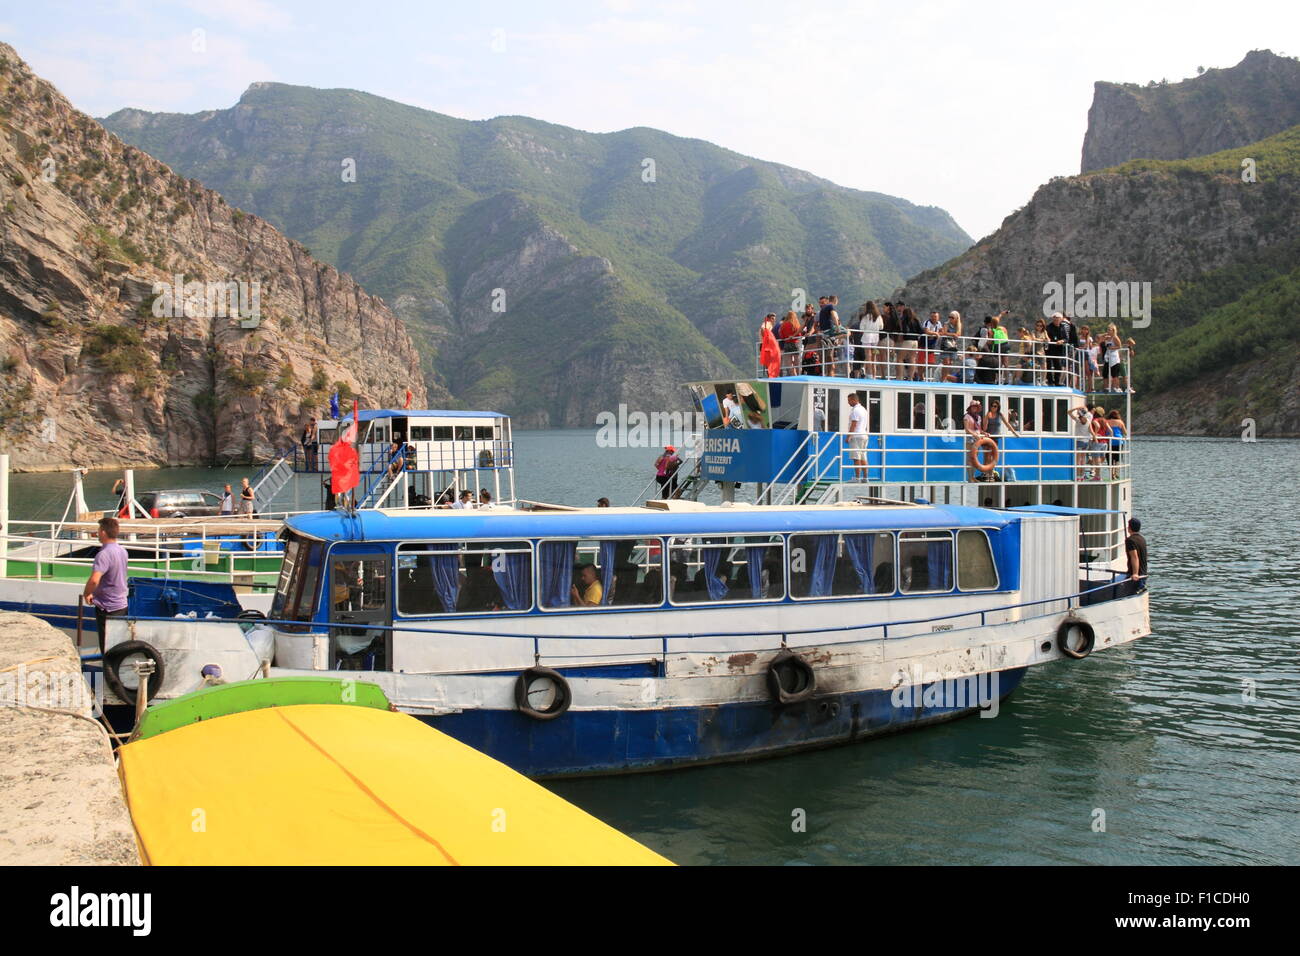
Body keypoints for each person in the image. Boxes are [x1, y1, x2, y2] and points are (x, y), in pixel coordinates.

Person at [83, 516, 128, 652]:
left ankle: (108, 672)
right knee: (118, 647)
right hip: (121, 604)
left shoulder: (103, 554)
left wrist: (87, 593)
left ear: (103, 532)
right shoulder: (122, 551)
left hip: (107, 607)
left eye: (98, 530)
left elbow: (95, 579)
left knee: (107, 649)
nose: (97, 533)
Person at [846, 392, 869, 481]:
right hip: (864, 435)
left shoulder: (855, 410)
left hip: (856, 436)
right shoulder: (863, 409)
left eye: (849, 401)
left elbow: (854, 424)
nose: (848, 403)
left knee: (856, 457)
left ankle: (857, 477)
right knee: (863, 456)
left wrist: (848, 436)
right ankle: (865, 477)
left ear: (854, 400)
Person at [858, 301, 883, 378]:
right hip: (875, 337)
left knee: (868, 356)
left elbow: (861, 327)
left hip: (867, 337)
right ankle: (874, 375)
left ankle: (869, 374)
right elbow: (881, 327)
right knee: (874, 357)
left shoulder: (866, 317)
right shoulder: (878, 316)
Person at [777, 310, 802, 376]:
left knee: (789, 362)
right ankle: (799, 375)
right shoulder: (796, 324)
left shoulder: (783, 325)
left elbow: (781, 336)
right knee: (797, 361)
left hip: (787, 344)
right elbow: (799, 334)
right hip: (795, 343)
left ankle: (793, 375)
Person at [1126, 518, 1147, 586]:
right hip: (1143, 572)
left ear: (1129, 527)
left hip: (1136, 576)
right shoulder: (1142, 539)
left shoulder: (1130, 540)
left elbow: (1134, 557)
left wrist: (1135, 573)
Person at [758, 313, 781, 378]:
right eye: (772, 319)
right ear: (768, 318)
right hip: (766, 345)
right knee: (770, 361)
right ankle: (770, 375)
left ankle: (770, 375)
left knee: (768, 361)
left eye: (774, 319)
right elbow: (763, 329)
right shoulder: (768, 323)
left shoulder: (769, 324)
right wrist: (766, 338)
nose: (773, 320)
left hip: (764, 344)